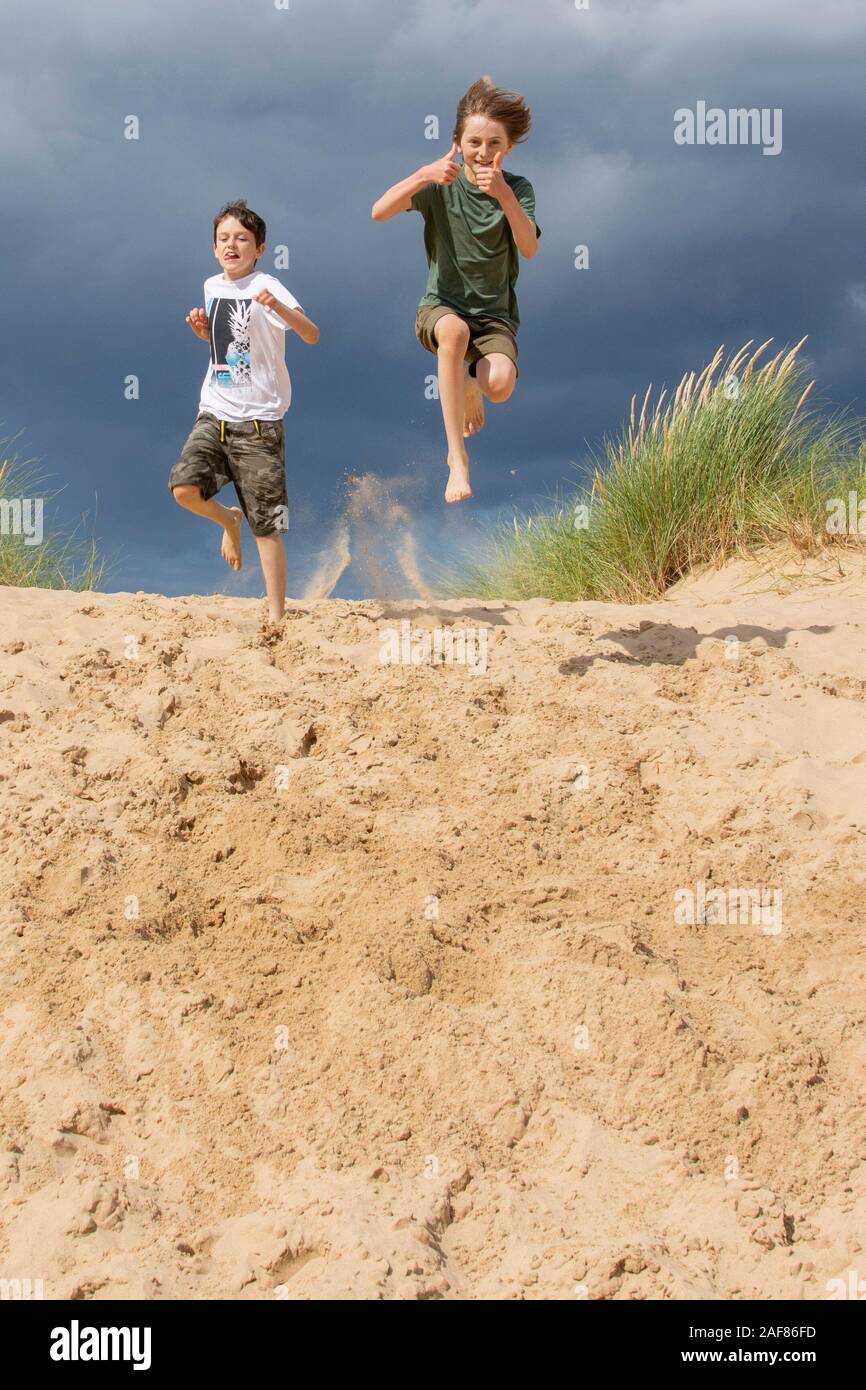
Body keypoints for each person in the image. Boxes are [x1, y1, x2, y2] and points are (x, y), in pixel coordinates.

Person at [372, 77, 539, 503]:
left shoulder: (517, 189)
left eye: (494, 144)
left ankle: (470, 380)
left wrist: (504, 198)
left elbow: (529, 246)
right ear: (457, 142)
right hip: (441, 308)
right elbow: (379, 212)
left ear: (509, 149)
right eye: (474, 142)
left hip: (494, 318)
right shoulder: (439, 185)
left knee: (499, 385)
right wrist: (423, 174)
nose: (483, 153)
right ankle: (457, 460)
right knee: (454, 333)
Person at [168, 199, 320, 622]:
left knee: (266, 526)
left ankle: (276, 616)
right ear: (214, 247)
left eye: (242, 239)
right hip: (214, 411)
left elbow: (311, 334)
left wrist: (278, 308)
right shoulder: (212, 286)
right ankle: (227, 521)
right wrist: (205, 334)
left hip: (260, 423)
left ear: (259, 248)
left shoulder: (266, 285)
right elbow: (233, 350)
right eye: (223, 239)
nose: (231, 245)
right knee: (184, 489)